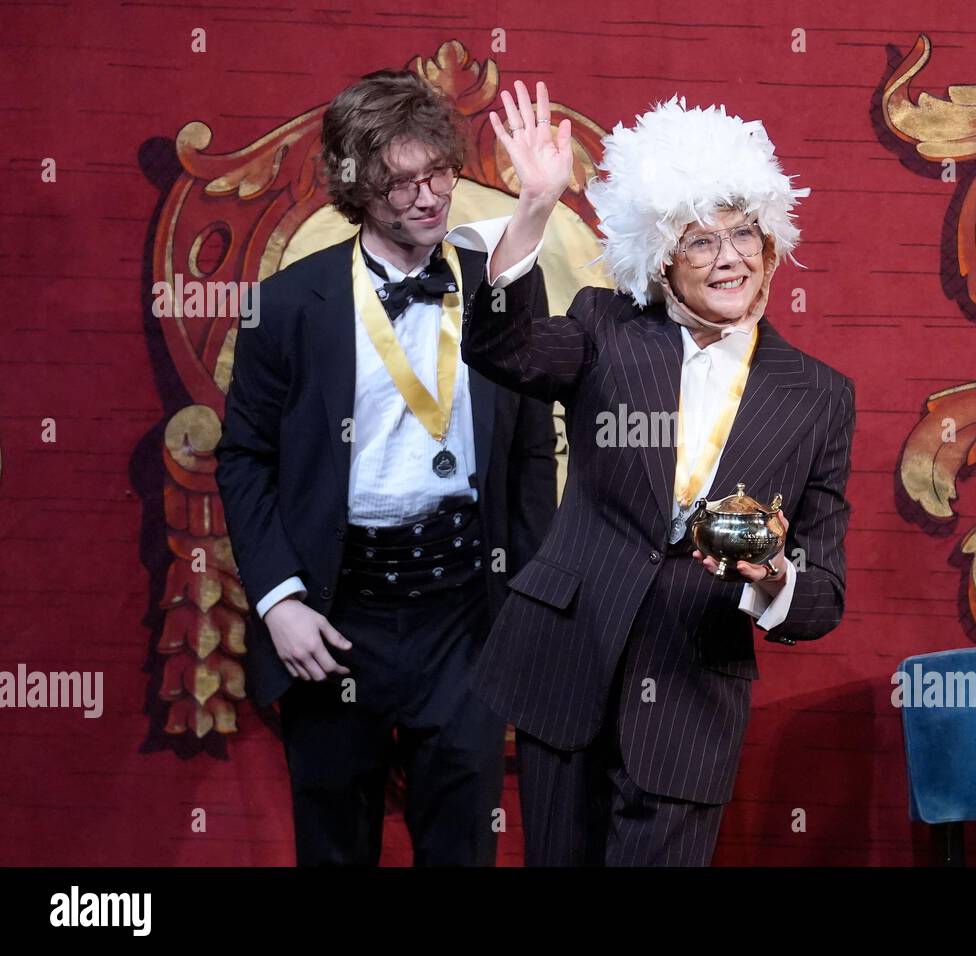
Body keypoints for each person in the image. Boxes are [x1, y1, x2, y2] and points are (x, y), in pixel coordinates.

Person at [461, 82, 856, 866]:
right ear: (660, 257)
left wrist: (773, 575)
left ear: (771, 243)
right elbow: (500, 349)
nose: (729, 257)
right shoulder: (606, 326)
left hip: (689, 697)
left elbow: (824, 594)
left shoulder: (821, 395)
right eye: (700, 240)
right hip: (565, 664)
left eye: (744, 233)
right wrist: (535, 207)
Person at [214, 70, 558, 866]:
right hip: (336, 615)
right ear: (355, 187)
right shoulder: (289, 305)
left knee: (462, 846)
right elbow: (243, 459)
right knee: (335, 850)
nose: (430, 196)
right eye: (402, 182)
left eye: (438, 170)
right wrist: (278, 602)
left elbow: (532, 447)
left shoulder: (494, 284)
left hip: (463, 616)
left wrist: (526, 600)